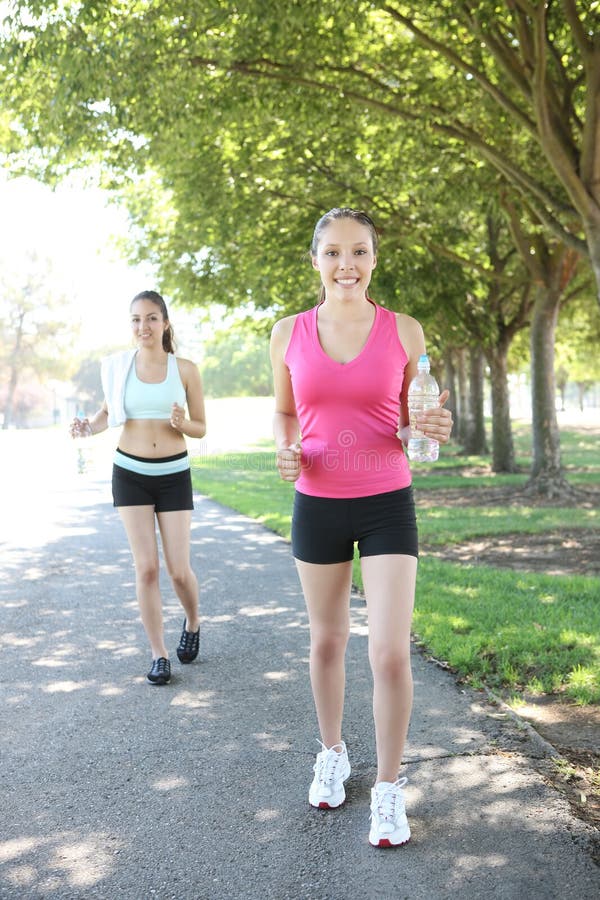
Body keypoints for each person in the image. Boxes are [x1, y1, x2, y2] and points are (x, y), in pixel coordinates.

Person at [270, 208, 453, 847]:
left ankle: (388, 788)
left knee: (389, 650)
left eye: (360, 252)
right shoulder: (286, 332)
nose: (346, 264)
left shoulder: (404, 330)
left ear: (376, 259)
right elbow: (286, 413)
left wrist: (425, 428)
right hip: (317, 498)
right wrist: (285, 448)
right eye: (333, 253)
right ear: (315, 259)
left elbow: (409, 421)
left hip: (385, 501)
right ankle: (332, 754)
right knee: (326, 641)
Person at [70, 290, 206, 686]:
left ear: (164, 323)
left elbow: (201, 427)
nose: (142, 326)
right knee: (146, 567)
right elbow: (105, 416)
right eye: (135, 319)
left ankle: (193, 621)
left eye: (150, 318)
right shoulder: (118, 368)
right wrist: (86, 428)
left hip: (173, 473)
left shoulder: (185, 369)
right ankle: (158, 654)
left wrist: (183, 424)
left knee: (178, 570)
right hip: (129, 471)